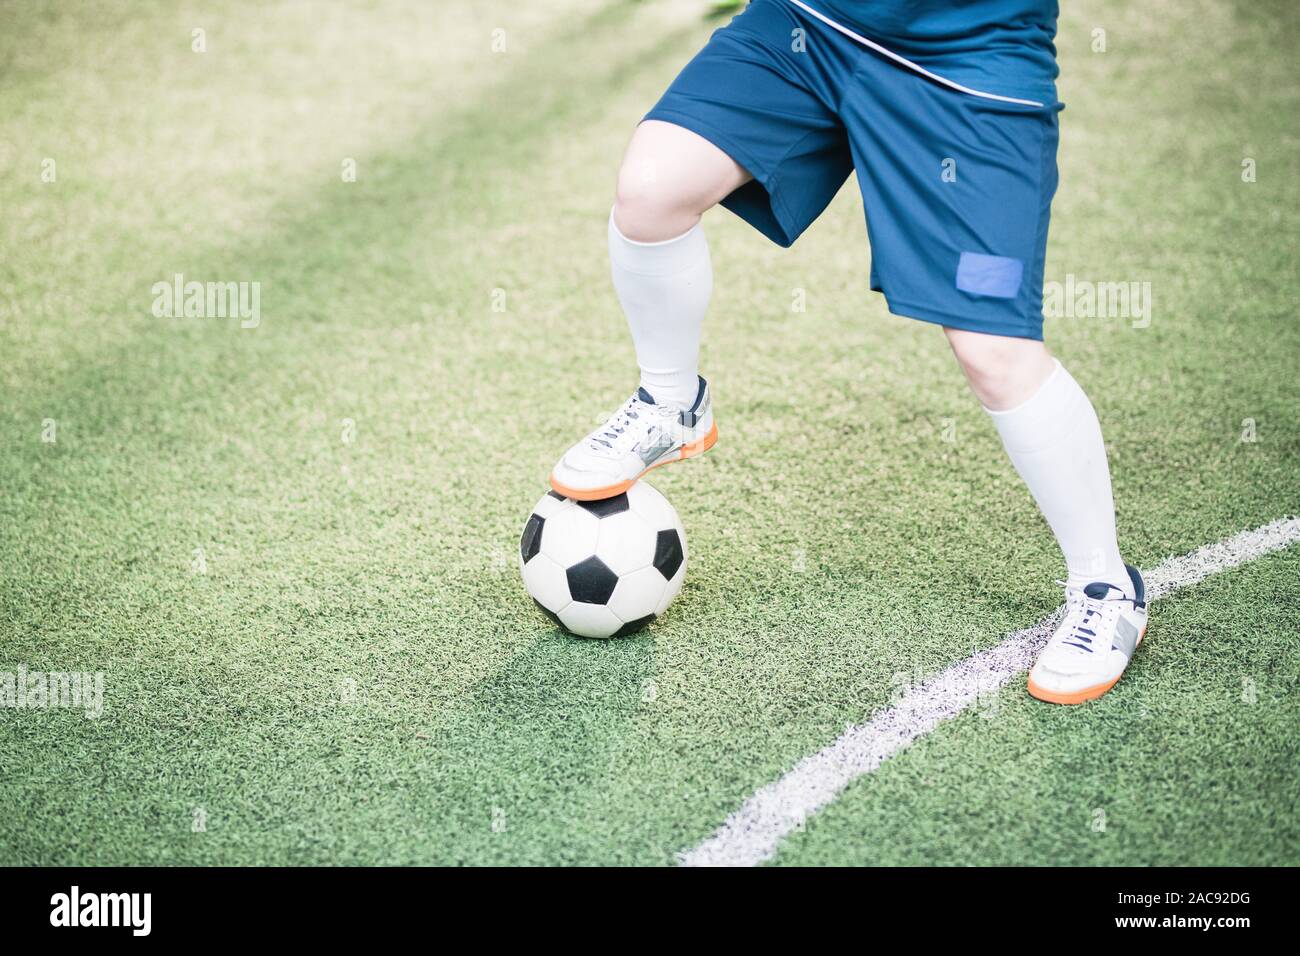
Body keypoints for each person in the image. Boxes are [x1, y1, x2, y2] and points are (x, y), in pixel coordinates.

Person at [548, 0, 1147, 704]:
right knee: (651, 189)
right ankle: (671, 403)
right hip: (810, 22)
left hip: (964, 65)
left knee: (994, 350)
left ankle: (1106, 587)